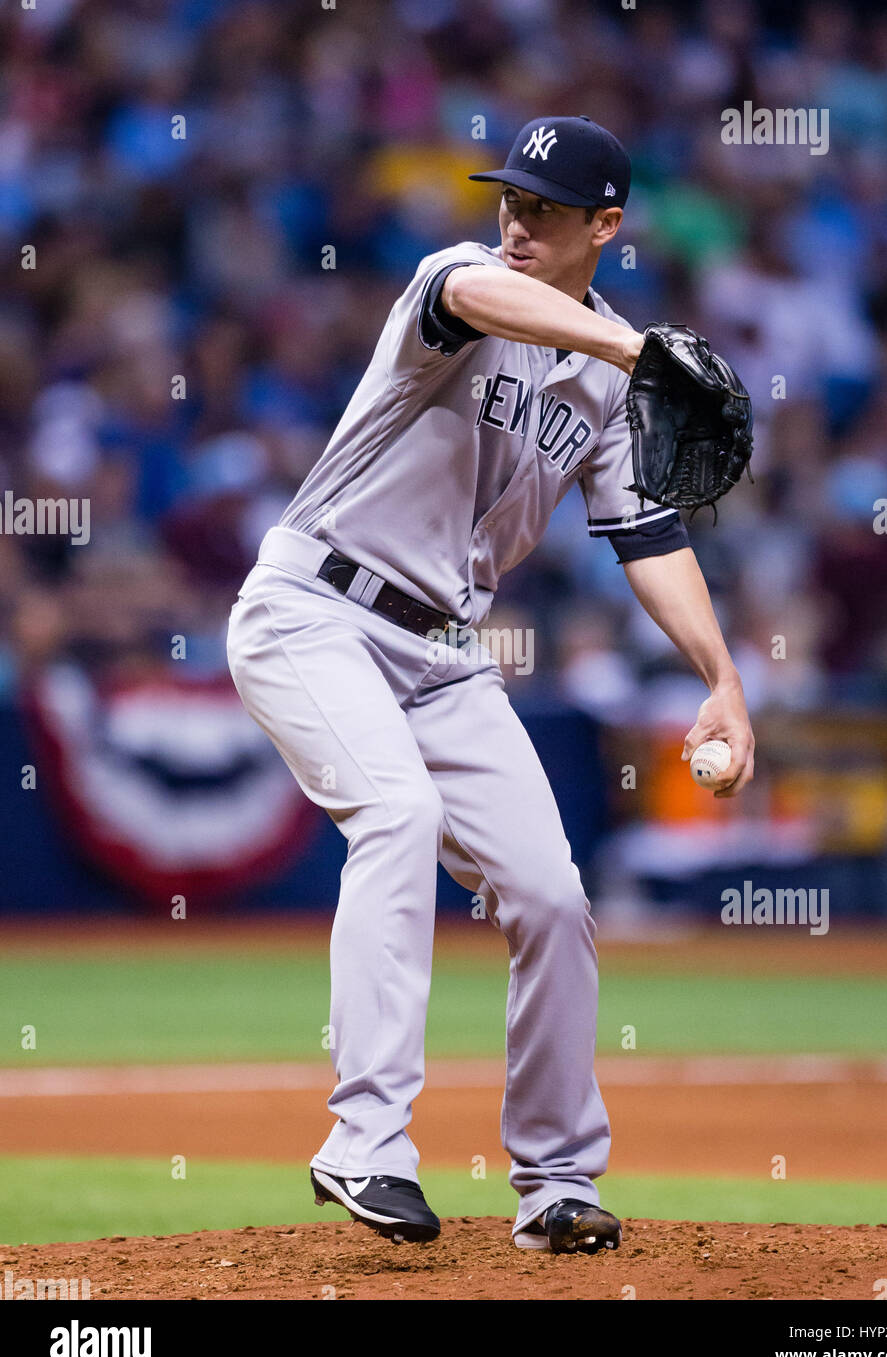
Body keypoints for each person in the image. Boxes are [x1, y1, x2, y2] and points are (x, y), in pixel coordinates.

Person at [226, 116, 754, 1255]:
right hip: (312, 609)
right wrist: (639, 352)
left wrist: (724, 680)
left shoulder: (614, 375)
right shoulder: (461, 280)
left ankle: (557, 1180)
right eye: (511, 197)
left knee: (553, 896)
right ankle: (365, 1144)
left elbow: (647, 537)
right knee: (399, 815)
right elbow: (480, 299)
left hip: (444, 653)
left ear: (605, 226)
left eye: (548, 209)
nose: (518, 220)